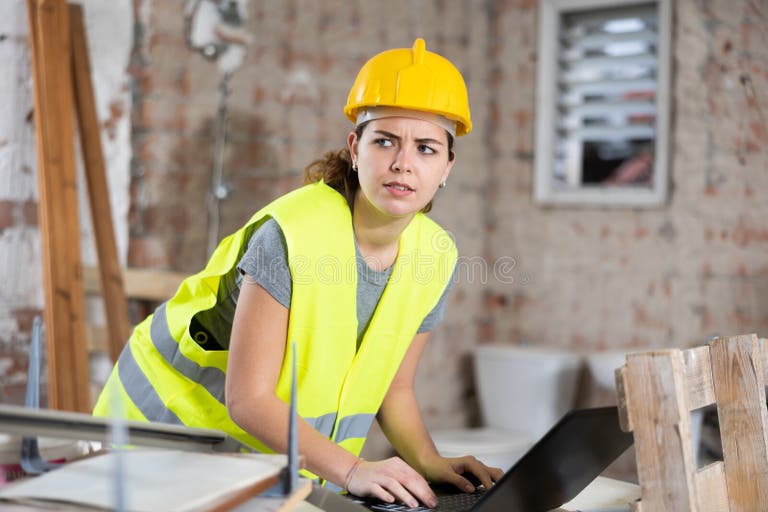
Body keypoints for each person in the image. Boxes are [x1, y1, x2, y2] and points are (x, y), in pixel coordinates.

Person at [94, 38, 503, 509]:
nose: (402, 163)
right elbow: (248, 399)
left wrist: (431, 462)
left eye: (426, 148)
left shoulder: (437, 254)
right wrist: (353, 470)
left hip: (264, 469)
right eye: (384, 141)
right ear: (355, 148)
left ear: (448, 166)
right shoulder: (292, 236)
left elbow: (396, 387)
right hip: (164, 447)